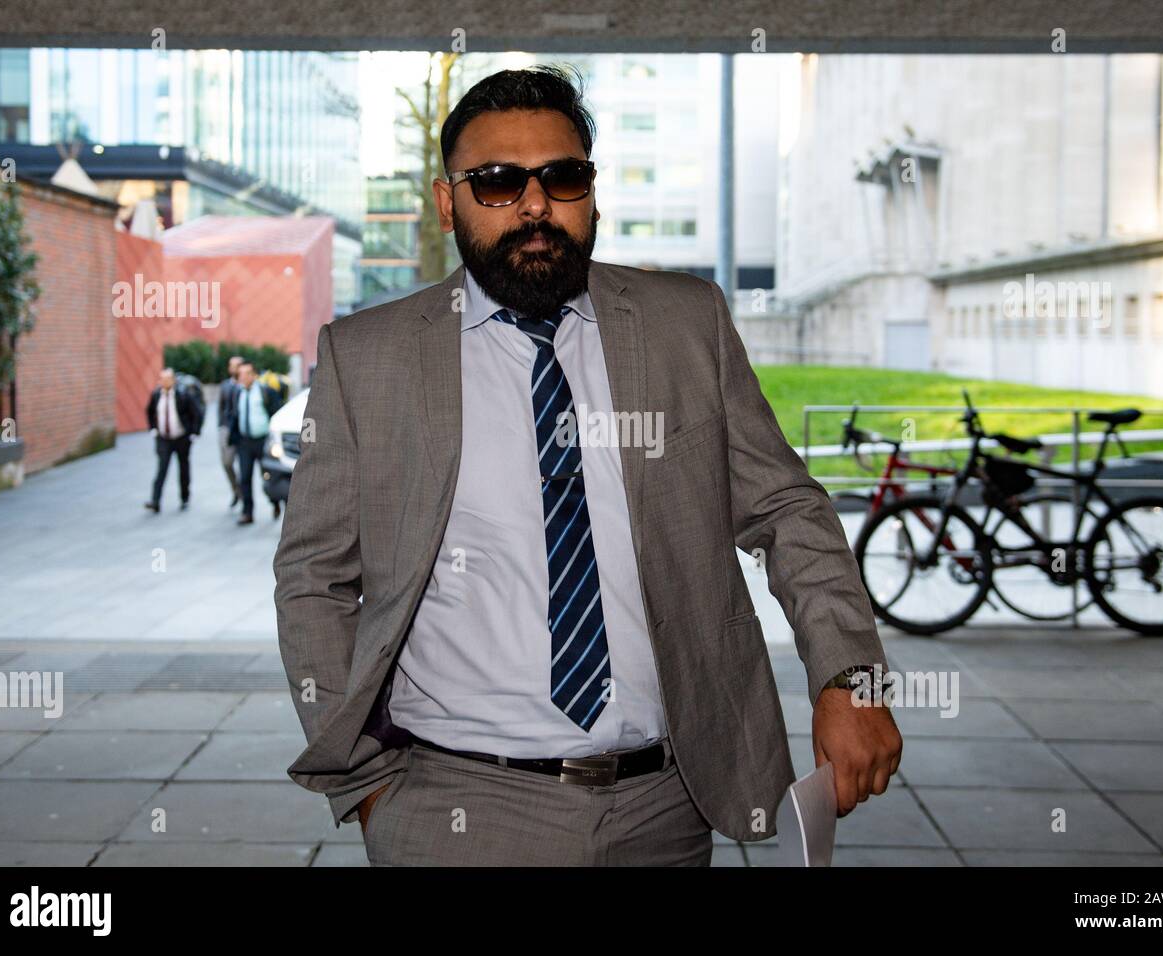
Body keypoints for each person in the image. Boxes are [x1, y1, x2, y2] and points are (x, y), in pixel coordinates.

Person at [274, 65, 901, 867]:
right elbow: (314, 579)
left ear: (593, 193)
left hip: (665, 809)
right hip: (454, 811)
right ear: (446, 202)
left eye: (562, 176)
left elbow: (789, 511)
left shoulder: (686, 324)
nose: (535, 204)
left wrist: (853, 678)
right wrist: (367, 787)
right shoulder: (366, 358)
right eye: (497, 181)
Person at [228, 360, 283, 525]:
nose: (242, 377)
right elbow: (234, 415)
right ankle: (247, 512)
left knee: (267, 476)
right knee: (244, 478)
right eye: (240, 374)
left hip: (262, 442)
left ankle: (275, 503)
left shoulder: (266, 392)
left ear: (254, 375)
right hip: (244, 443)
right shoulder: (237, 393)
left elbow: (276, 414)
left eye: (246, 374)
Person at [144, 367, 201, 513]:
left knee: (183, 468)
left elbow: (196, 413)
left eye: (168, 379)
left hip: (181, 437)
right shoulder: (156, 394)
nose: (165, 382)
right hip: (163, 438)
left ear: (173, 380)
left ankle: (184, 497)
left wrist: (194, 433)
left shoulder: (183, 394)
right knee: (161, 469)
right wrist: (153, 429)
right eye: (162, 379)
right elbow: (149, 411)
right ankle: (155, 501)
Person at [217, 355, 244, 509]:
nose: (233, 368)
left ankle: (244, 494)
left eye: (236, 365)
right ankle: (236, 490)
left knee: (245, 466)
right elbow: (221, 408)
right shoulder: (225, 386)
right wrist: (221, 427)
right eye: (231, 365)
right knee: (227, 463)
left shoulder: (248, 385)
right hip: (227, 429)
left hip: (244, 432)